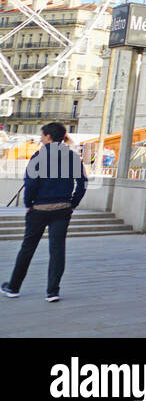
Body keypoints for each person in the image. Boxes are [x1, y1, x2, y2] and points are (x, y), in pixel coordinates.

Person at [2, 122, 87, 302]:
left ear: (48, 136)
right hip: (62, 209)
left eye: (42, 135)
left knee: (27, 248)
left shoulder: (38, 156)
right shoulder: (72, 157)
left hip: (39, 209)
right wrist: (73, 203)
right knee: (57, 250)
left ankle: (13, 287)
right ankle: (53, 292)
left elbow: (31, 183)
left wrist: (28, 203)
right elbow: (82, 183)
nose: (40, 138)